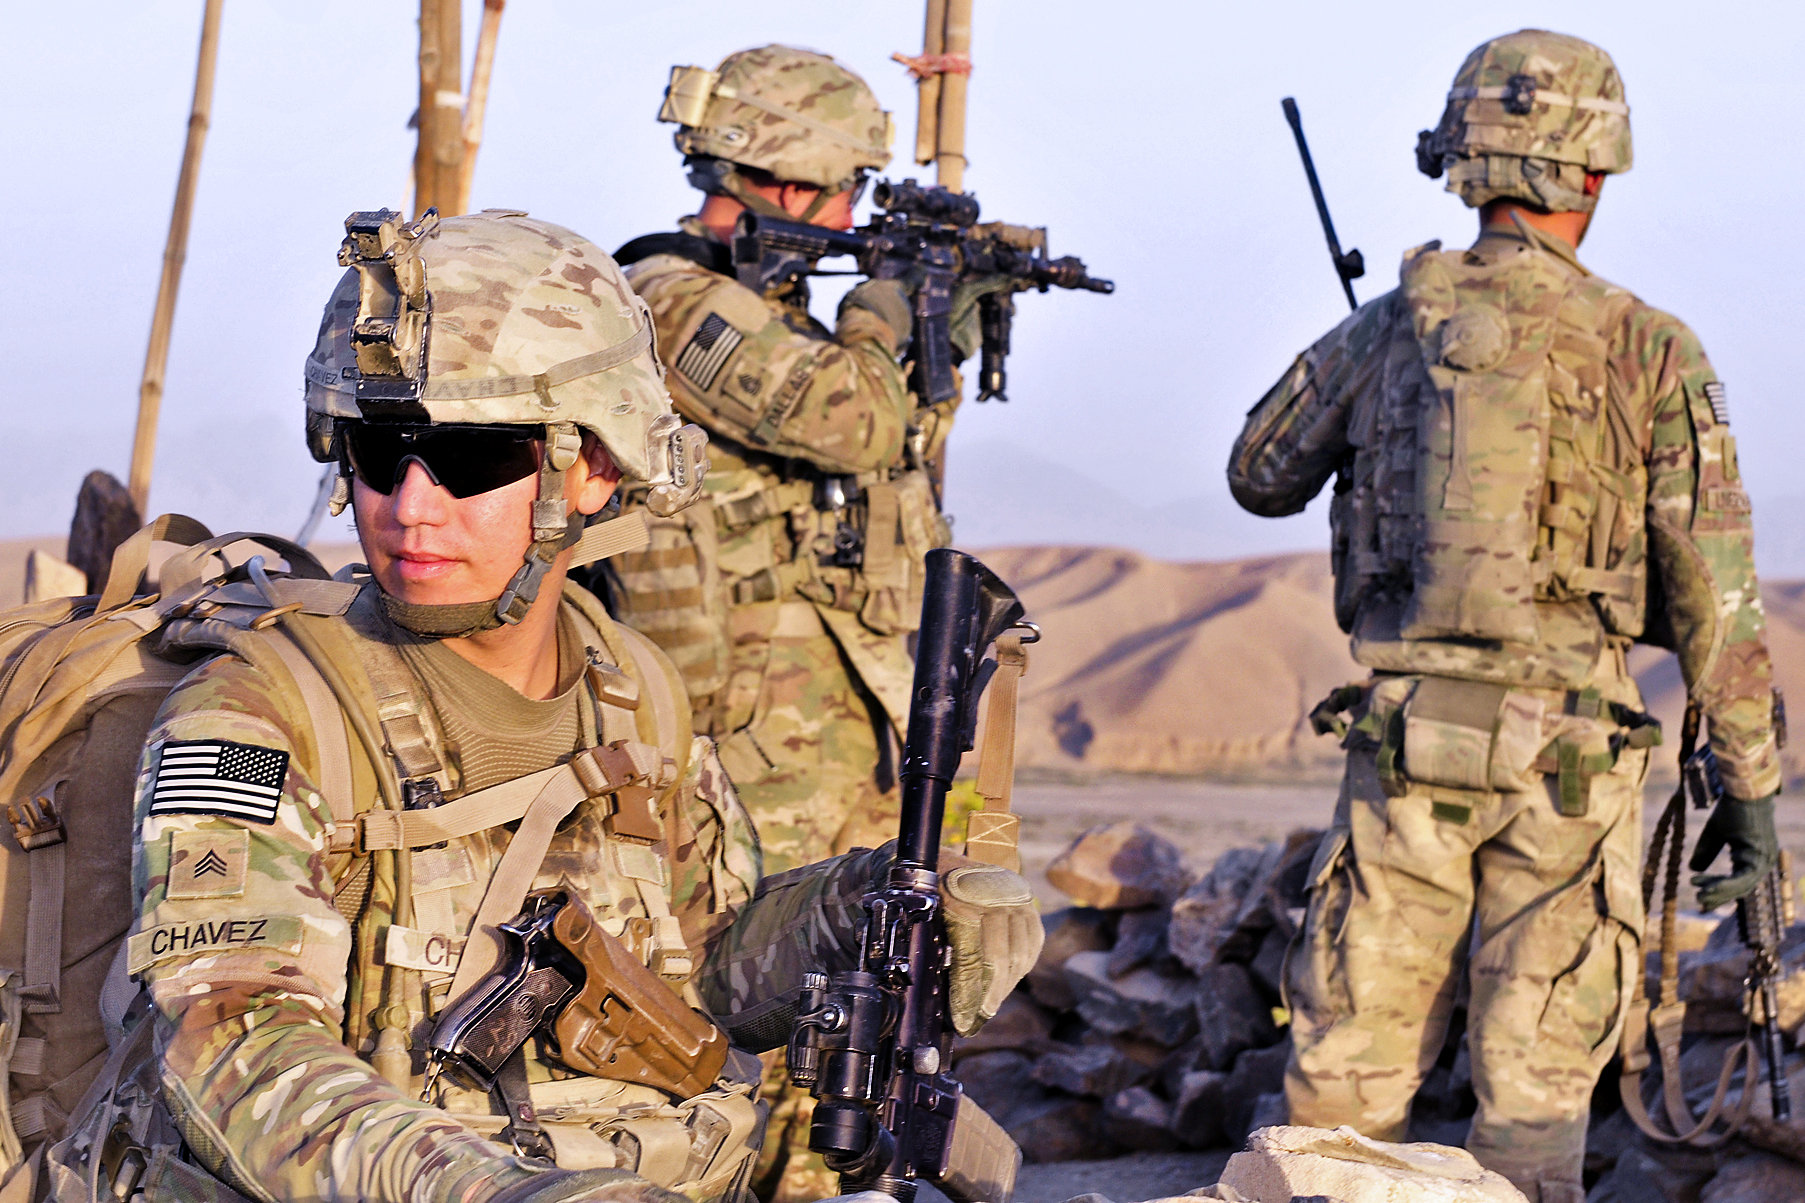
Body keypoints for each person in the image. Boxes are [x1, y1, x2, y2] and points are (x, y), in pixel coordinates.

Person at [109, 208, 1039, 1203]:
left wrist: (881, 900)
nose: (410, 507)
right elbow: (230, 1046)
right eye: (379, 452)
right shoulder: (258, 710)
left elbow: (710, 967)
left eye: (470, 458)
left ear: (593, 465)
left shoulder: (632, 690)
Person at [1228, 30, 1782, 1203]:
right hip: (1569, 760)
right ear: (1592, 173)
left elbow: (1257, 472)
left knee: (1342, 1081)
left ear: (1460, 163)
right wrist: (1748, 794)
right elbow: (1711, 594)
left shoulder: (1390, 324)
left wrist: (1375, 395)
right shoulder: (1649, 346)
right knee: (1531, 1094)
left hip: (1406, 744)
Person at [598, 45, 952, 884]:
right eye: (848, 190)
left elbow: (891, 453)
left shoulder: (771, 312)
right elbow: (855, 421)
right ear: (793, 185)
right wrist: (879, 310)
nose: (846, 221)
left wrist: (943, 332)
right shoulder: (669, 298)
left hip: (829, 714)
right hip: (742, 735)